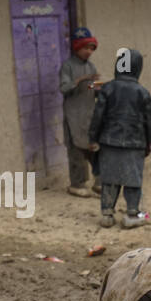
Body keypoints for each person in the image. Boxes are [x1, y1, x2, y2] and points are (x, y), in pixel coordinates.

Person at [88, 48, 151, 229]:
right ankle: (132, 211)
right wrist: (147, 143)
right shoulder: (143, 92)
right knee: (133, 179)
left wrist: (93, 137)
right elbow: (148, 121)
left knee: (109, 178)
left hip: (109, 142)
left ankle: (107, 214)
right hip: (135, 143)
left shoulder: (107, 88)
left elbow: (97, 116)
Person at [59, 27, 103, 198]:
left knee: (95, 148)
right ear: (77, 47)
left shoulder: (91, 66)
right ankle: (77, 184)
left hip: (89, 114)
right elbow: (64, 88)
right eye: (86, 48)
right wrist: (80, 80)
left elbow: (92, 89)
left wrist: (100, 88)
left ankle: (99, 182)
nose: (88, 52)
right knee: (76, 150)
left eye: (91, 49)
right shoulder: (67, 67)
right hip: (74, 116)